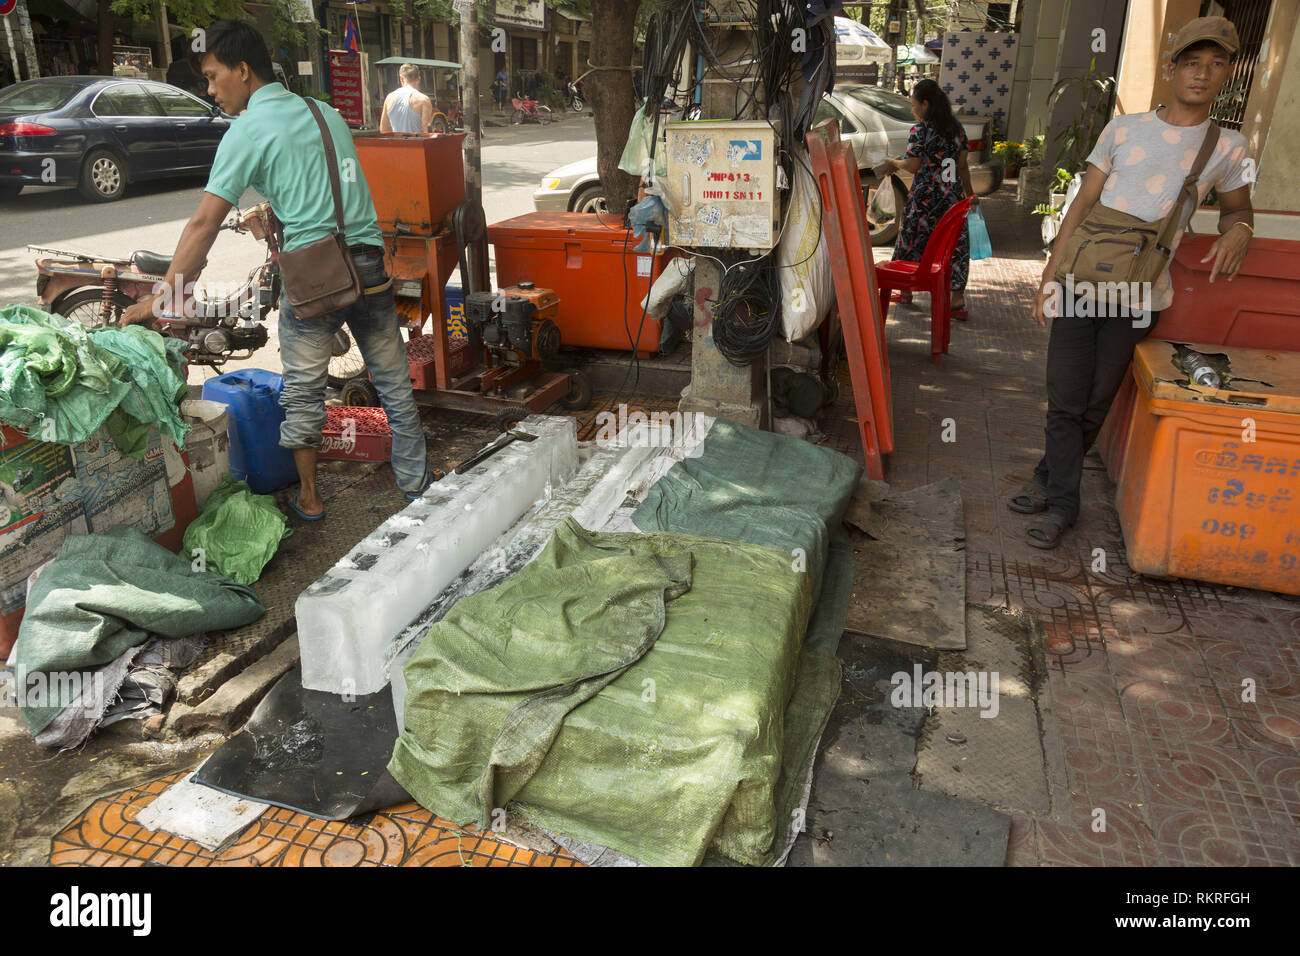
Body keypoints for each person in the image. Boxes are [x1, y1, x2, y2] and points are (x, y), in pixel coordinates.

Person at [120, 19, 435, 516]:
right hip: (370, 263)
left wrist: (164, 298)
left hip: (315, 279)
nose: (209, 89)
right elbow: (329, 185)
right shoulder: (323, 111)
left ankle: (309, 498)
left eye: (211, 75)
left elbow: (203, 224)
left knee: (304, 395)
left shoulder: (246, 130)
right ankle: (419, 488)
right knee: (394, 384)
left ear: (242, 71)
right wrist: (274, 213)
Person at [1010, 16, 1253, 549]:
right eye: (1192, 63)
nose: (1202, 74)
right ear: (1173, 69)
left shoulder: (1229, 147)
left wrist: (1242, 230)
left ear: (1228, 73)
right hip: (1081, 285)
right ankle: (1064, 506)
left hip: (1141, 296)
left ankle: (1047, 479)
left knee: (1095, 400)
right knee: (1065, 399)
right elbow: (1084, 203)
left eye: (1215, 65)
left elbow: (1238, 209)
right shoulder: (1124, 130)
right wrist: (1050, 274)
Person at [881, 78, 976, 316]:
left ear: (926, 104)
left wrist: (893, 163)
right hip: (951, 199)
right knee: (955, 246)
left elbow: (912, 166)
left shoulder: (920, 131)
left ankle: (906, 290)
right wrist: (970, 194)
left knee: (910, 239)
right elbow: (962, 165)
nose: (912, 110)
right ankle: (957, 299)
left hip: (924, 199)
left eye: (914, 105)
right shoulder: (957, 130)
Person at [380, 63, 433, 134]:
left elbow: (384, 130)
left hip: (397, 144)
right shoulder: (423, 100)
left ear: (401, 79)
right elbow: (426, 131)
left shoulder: (389, 98)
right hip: (417, 144)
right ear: (419, 79)